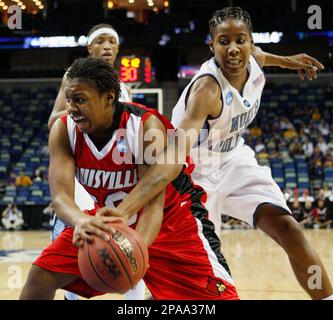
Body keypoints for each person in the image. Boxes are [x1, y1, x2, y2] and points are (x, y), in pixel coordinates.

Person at [19, 57, 238, 300]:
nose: (70, 107)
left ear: (109, 97)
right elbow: (60, 198)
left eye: (80, 100)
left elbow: (154, 204)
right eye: (68, 99)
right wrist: (80, 220)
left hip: (172, 222)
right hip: (109, 222)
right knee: (41, 277)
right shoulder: (63, 129)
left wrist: (133, 251)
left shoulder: (144, 126)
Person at [171, 7, 333, 299]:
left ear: (249, 41)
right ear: (212, 45)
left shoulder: (253, 59)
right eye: (224, 41)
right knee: (197, 275)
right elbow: (174, 152)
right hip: (194, 173)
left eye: (240, 40)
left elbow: (261, 55)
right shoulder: (206, 91)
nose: (233, 49)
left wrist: (289, 61)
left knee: (289, 229)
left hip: (235, 158)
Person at [47, 23, 140, 301]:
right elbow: (54, 120)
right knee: (76, 259)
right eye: (100, 42)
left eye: (112, 41)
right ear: (90, 48)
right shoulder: (73, 78)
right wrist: (80, 110)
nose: (107, 47)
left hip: (115, 179)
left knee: (131, 258)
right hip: (82, 177)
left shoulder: (123, 87)